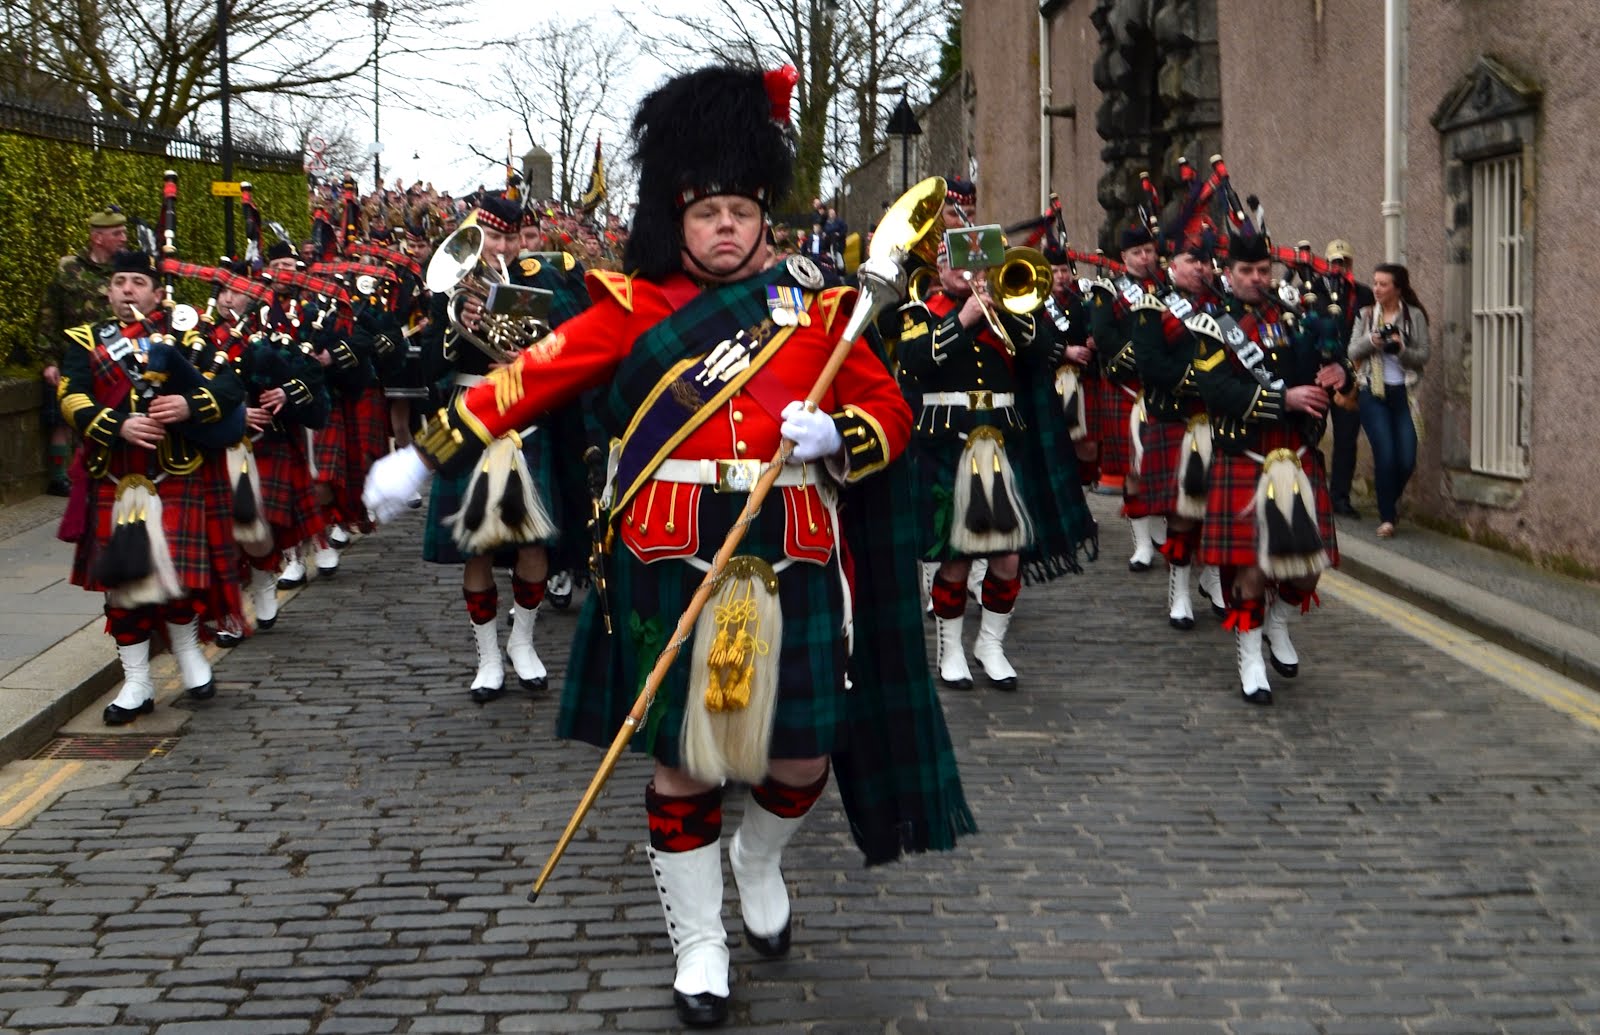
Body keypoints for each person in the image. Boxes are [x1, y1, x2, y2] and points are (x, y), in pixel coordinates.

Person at [364, 64, 972, 1028]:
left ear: (765, 215)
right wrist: (434, 450)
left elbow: (889, 407)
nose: (725, 227)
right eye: (705, 212)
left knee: (804, 754)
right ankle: (699, 940)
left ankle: (758, 858)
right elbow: (529, 377)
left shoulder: (821, 312)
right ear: (675, 219)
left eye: (740, 209)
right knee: (685, 760)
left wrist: (842, 435)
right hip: (669, 553)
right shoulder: (629, 308)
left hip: (798, 549)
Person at [55, 250, 247, 723]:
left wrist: (188, 405)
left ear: (157, 293)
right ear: (108, 291)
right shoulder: (86, 341)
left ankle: (189, 656)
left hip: (175, 475)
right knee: (123, 587)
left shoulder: (192, 335)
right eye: (119, 281)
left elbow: (229, 388)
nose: (126, 290)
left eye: (137, 282)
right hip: (117, 480)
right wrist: (115, 424)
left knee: (178, 581)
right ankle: (136, 680)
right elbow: (70, 394)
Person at [414, 191, 571, 702]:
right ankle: (487, 657)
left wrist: (531, 352)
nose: (500, 246)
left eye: (508, 236)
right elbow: (432, 367)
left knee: (534, 542)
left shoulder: (542, 280)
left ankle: (523, 644)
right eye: (492, 236)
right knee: (475, 547)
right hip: (470, 417)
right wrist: (466, 328)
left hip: (526, 417)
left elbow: (566, 344)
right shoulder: (454, 291)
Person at [1193, 230, 1350, 705]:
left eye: (1264, 270)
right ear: (1230, 273)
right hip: (1247, 455)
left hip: (1297, 456)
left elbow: (1325, 361)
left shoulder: (1294, 317)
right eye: (1247, 271)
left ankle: (1276, 621)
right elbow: (1217, 391)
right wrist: (1284, 398)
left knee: (1308, 570)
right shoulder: (1212, 325)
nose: (1257, 279)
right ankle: (1250, 657)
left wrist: (1341, 370)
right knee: (1255, 570)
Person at [1129, 215, 1225, 630]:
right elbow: (1151, 365)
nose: (1201, 268)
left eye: (1205, 260)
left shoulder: (1223, 307)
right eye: (1192, 259)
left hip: (1219, 421)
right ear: (1171, 263)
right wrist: (1201, 378)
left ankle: (1214, 576)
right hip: (1176, 418)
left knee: (1219, 510)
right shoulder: (1153, 304)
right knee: (1183, 514)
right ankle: (1180, 589)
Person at [1088, 224, 1166, 571]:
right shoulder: (1108, 290)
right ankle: (1142, 543)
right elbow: (1104, 335)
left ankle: (1163, 533)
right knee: (1134, 469)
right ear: (1124, 257)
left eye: (1149, 251)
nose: (1145, 257)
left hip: (1162, 386)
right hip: (1126, 387)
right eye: (1137, 253)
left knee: (1162, 465)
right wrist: (1143, 357)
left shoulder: (1168, 289)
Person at [36, 207, 128, 495]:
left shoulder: (127, 270)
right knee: (62, 418)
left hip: (116, 360)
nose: (124, 238)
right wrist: (48, 360)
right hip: (73, 357)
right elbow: (48, 314)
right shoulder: (69, 268)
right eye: (117, 234)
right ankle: (60, 476)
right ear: (97, 238)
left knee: (105, 413)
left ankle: (99, 469)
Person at [1348, 262, 1430, 538]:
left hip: (1404, 393)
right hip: (1373, 393)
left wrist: (1402, 350)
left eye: (1383, 284)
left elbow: (1423, 357)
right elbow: (1351, 351)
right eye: (1375, 283)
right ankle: (1387, 516)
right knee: (1386, 455)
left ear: (1397, 288)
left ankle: (1387, 497)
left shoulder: (1414, 317)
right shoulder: (1367, 314)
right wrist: (1373, 341)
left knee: (1406, 460)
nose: (1377, 289)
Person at [1318, 239, 1374, 518]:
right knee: (1310, 434)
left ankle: (1339, 497)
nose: (1339, 267)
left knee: (1346, 437)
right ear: (1327, 264)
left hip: (1349, 375)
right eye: (1335, 262)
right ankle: (1311, 493)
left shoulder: (1363, 294)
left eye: (1344, 262)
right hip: (1317, 374)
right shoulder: (1312, 291)